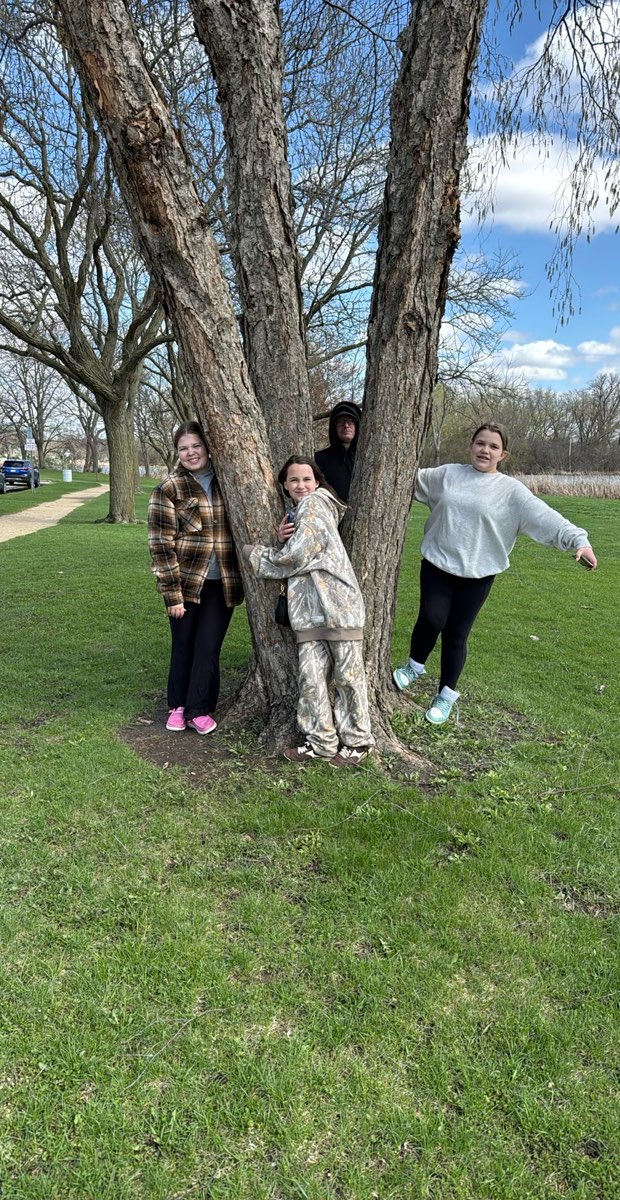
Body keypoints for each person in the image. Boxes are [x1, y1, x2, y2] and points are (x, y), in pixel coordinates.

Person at [393, 423, 598, 725]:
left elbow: (546, 517)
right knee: (432, 618)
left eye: (492, 447)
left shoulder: (511, 492)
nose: (484, 450)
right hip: (437, 564)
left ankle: (445, 696)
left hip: (478, 575)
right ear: (470, 445)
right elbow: (401, 477)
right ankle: (414, 666)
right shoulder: (446, 475)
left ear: (503, 454)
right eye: (480, 443)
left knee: (456, 635)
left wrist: (579, 540)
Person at [243, 456, 374, 766]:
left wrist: (257, 555)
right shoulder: (300, 512)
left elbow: (299, 555)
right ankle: (321, 742)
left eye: (306, 479)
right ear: (285, 486)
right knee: (311, 680)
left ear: (317, 482)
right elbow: (302, 547)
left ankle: (358, 742)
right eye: (293, 480)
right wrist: (281, 539)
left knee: (348, 677)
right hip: (310, 611)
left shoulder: (315, 504)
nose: (301, 485)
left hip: (338, 608)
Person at [147, 421, 243, 734]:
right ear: (178, 453)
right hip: (185, 584)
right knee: (184, 645)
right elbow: (161, 545)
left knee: (208, 647)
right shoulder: (168, 489)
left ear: (207, 446)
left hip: (222, 583)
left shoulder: (227, 480)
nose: (191, 453)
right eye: (184, 448)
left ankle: (199, 709)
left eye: (196, 446)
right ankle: (177, 705)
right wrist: (172, 595)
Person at [314, 400, 362, 501]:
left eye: (351, 420)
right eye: (340, 421)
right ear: (334, 427)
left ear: (358, 425)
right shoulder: (319, 459)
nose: (346, 425)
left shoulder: (367, 458)